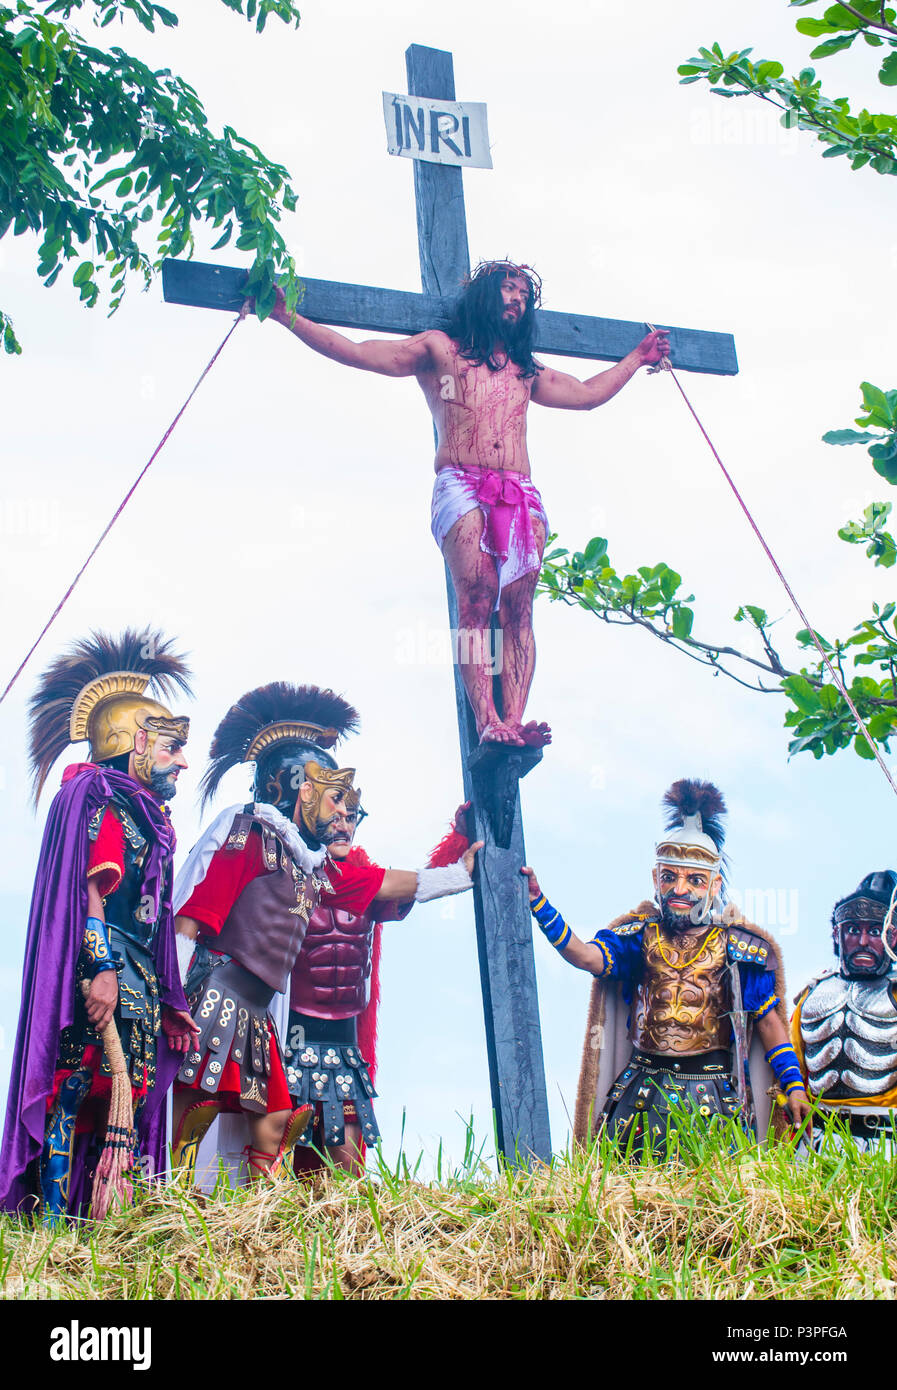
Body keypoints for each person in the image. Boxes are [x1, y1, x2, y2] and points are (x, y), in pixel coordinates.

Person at [250, 261, 668, 748]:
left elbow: (587, 394)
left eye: (523, 296)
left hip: (520, 490)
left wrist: (638, 358)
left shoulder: (524, 371)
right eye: (507, 290)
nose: (516, 300)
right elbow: (362, 353)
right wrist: (287, 317)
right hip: (462, 484)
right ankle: (486, 720)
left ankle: (513, 720)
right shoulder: (439, 349)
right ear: (484, 296)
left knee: (519, 608)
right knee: (476, 600)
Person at [170, 682, 481, 1181]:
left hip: (310, 1032)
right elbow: (199, 913)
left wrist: (462, 862)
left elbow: (408, 887)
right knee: (211, 1120)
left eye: (350, 812)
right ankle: (184, 1203)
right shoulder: (258, 840)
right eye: (335, 804)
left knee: (312, 1151)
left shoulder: (341, 872)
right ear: (302, 793)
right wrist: (175, 992)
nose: (342, 819)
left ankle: (281, 1227)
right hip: (256, 1017)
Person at [0, 631, 198, 1220]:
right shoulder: (94, 794)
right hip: (99, 969)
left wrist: (170, 996)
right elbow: (90, 894)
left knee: (128, 1101)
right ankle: (54, 1227)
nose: (182, 761)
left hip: (137, 977)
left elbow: (154, 920)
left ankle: (108, 1227)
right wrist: (101, 969)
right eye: (170, 747)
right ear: (134, 743)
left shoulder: (148, 817)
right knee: (74, 1091)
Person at [521, 779, 810, 1157]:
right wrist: (540, 905)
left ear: (713, 884)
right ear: (656, 878)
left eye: (694, 880)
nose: (680, 889)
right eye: (671, 877)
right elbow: (586, 957)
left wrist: (794, 1088)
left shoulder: (740, 948)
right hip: (638, 1093)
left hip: (712, 1098)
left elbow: (769, 1022)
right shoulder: (636, 936)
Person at [284, 801, 471, 1176]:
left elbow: (417, 888)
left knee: (347, 1181)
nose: (343, 827)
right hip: (290, 1036)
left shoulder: (368, 878)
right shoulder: (284, 870)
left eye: (351, 818)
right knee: (274, 1156)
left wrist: (460, 840)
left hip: (344, 1042)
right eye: (334, 817)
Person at [792, 871, 897, 1148]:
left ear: (892, 937)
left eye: (875, 931)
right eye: (853, 930)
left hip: (886, 1142)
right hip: (817, 1141)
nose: (863, 942)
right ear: (837, 934)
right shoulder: (812, 994)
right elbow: (792, 1070)